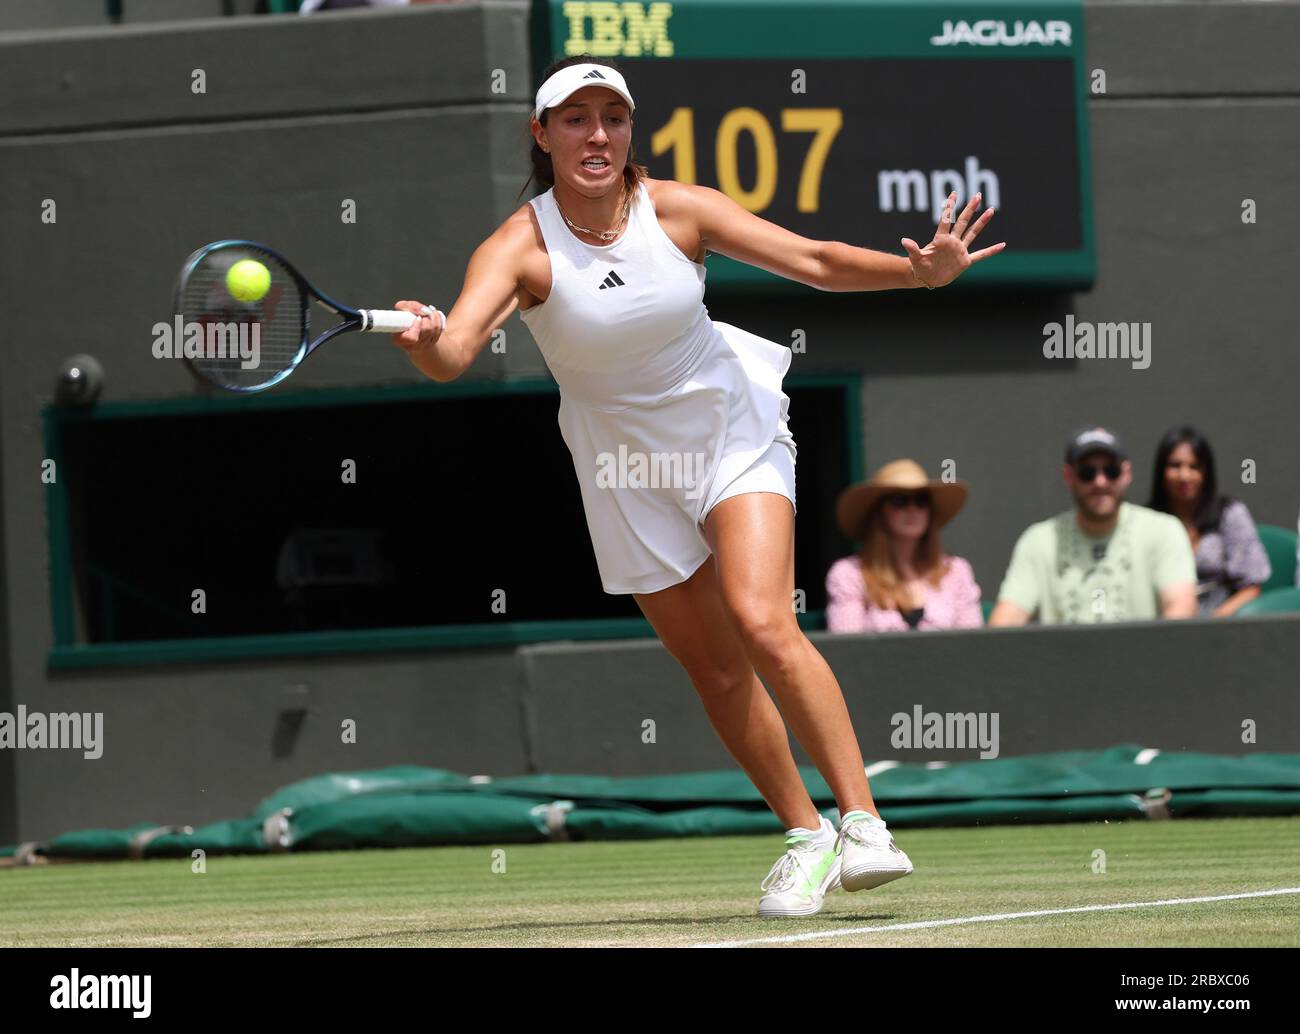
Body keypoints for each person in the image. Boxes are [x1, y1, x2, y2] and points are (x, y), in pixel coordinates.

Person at [387, 56, 1004, 917]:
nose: (596, 135)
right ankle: (805, 836)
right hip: (624, 470)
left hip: (728, 428)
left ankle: (863, 820)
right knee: (714, 670)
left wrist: (919, 274)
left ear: (630, 129)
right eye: (575, 119)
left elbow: (817, 261)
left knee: (760, 620)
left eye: (613, 117)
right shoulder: (517, 248)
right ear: (542, 134)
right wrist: (423, 338)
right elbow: (454, 356)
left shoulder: (678, 208)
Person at [988, 427, 1197, 626]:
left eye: (1111, 471)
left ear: (1126, 473)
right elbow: (1006, 623)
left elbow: (1181, 610)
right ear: (1069, 476)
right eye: (1087, 473)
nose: (1100, 482)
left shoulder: (1164, 531)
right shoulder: (1039, 540)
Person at [826, 459, 982, 632]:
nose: (912, 509)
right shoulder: (849, 574)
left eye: (921, 500)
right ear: (879, 512)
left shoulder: (956, 571)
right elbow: (848, 646)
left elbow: (972, 644)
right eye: (900, 500)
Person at [1146, 425, 1270, 616]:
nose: (1184, 476)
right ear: (1161, 471)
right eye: (1175, 465)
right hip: (1163, 623)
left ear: (1206, 472)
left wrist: (1212, 624)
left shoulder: (1228, 513)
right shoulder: (1148, 520)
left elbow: (1252, 586)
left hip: (1221, 622)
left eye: (1194, 467)